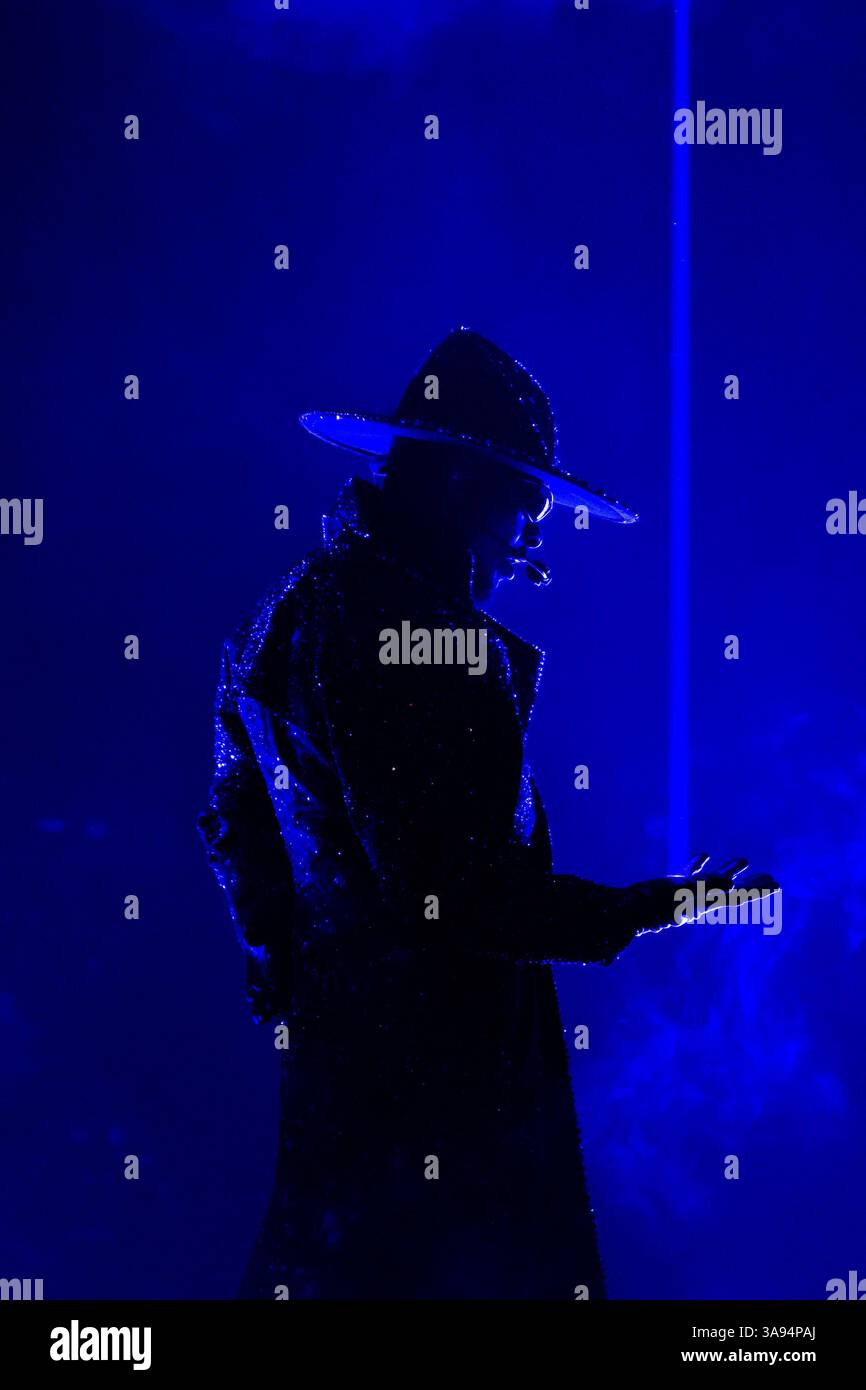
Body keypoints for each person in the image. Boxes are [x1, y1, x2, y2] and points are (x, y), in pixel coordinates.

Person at [198, 327, 772, 1299]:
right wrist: (657, 907)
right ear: (462, 486)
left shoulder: (284, 608)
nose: (533, 540)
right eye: (525, 504)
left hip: (341, 1089)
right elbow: (453, 893)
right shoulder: (421, 642)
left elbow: (231, 830)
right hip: (447, 1115)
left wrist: (291, 984)